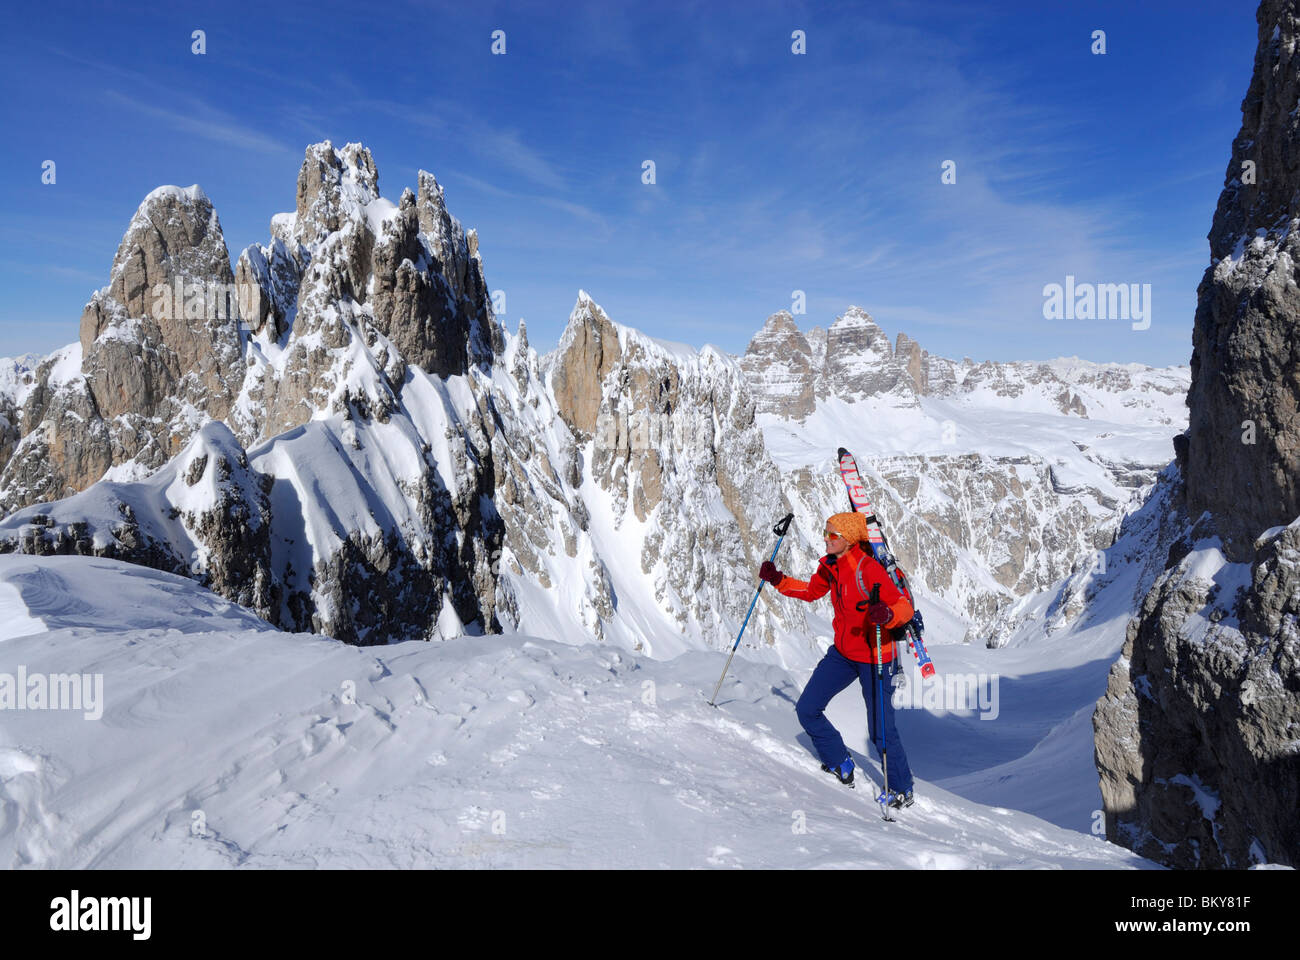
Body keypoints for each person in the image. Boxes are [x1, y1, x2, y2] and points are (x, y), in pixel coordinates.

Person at [760, 511, 916, 806]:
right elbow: (809, 591)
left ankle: (901, 788)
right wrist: (778, 580)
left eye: (833, 535)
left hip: (875, 656)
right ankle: (840, 762)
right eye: (825, 532)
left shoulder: (867, 568)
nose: (826, 538)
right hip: (843, 654)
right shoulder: (830, 566)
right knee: (807, 708)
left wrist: (888, 614)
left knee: (881, 732)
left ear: (848, 539)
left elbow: (903, 606)